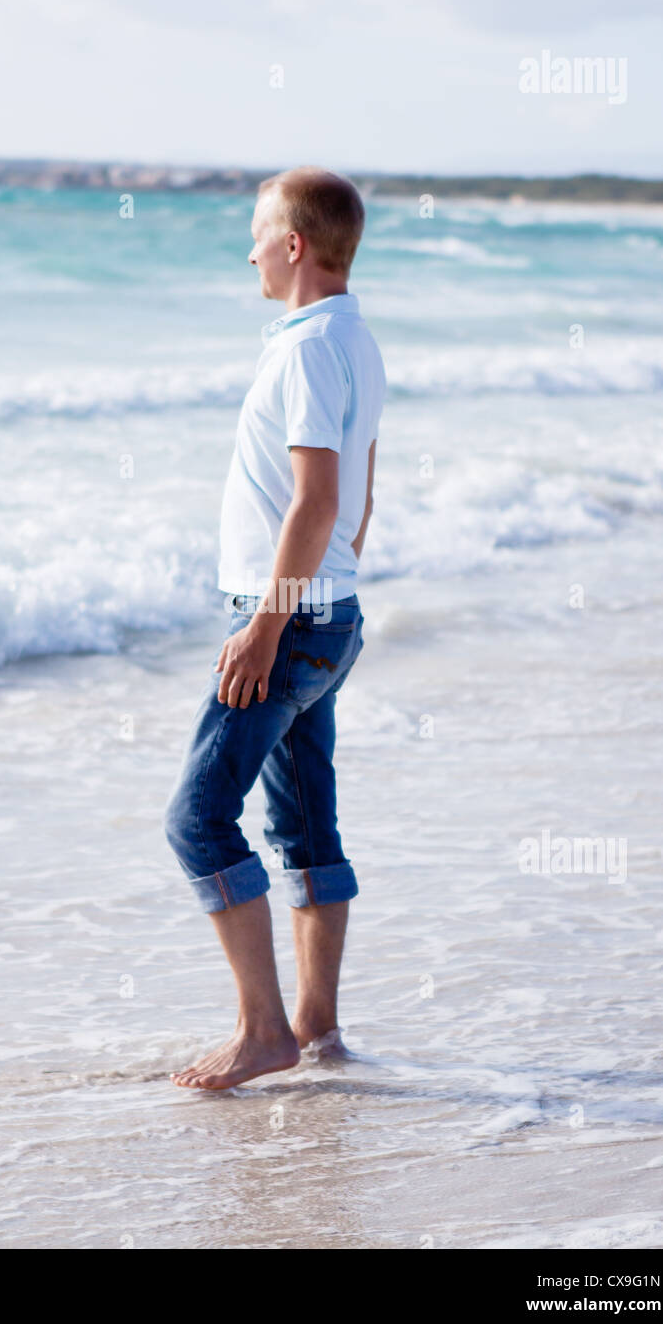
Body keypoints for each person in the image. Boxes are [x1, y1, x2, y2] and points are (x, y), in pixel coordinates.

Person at [164, 166, 386, 1089]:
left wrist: (263, 624)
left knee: (199, 820)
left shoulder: (302, 348)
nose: (248, 249)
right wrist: (330, 580)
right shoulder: (353, 337)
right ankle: (317, 1027)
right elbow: (361, 479)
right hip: (328, 618)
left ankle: (265, 1033)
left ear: (294, 245)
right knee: (305, 829)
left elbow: (317, 501)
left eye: (258, 233)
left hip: (289, 621)